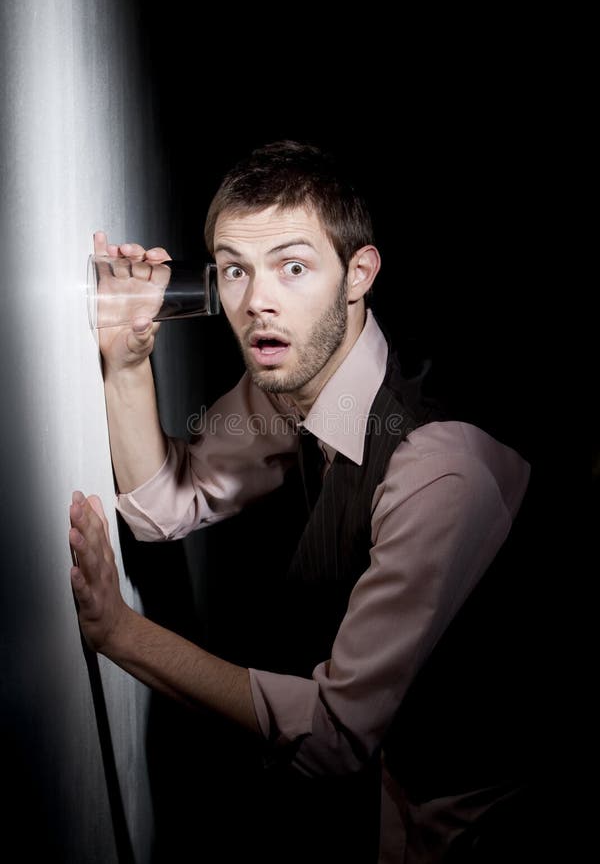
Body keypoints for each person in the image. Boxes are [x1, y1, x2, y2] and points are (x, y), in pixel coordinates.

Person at [69, 140, 532, 863]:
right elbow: (166, 503)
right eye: (233, 270)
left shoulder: (439, 468)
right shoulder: (293, 382)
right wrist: (126, 362)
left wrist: (120, 632)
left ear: (358, 275)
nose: (257, 303)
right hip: (390, 807)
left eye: (292, 266)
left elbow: (337, 735)